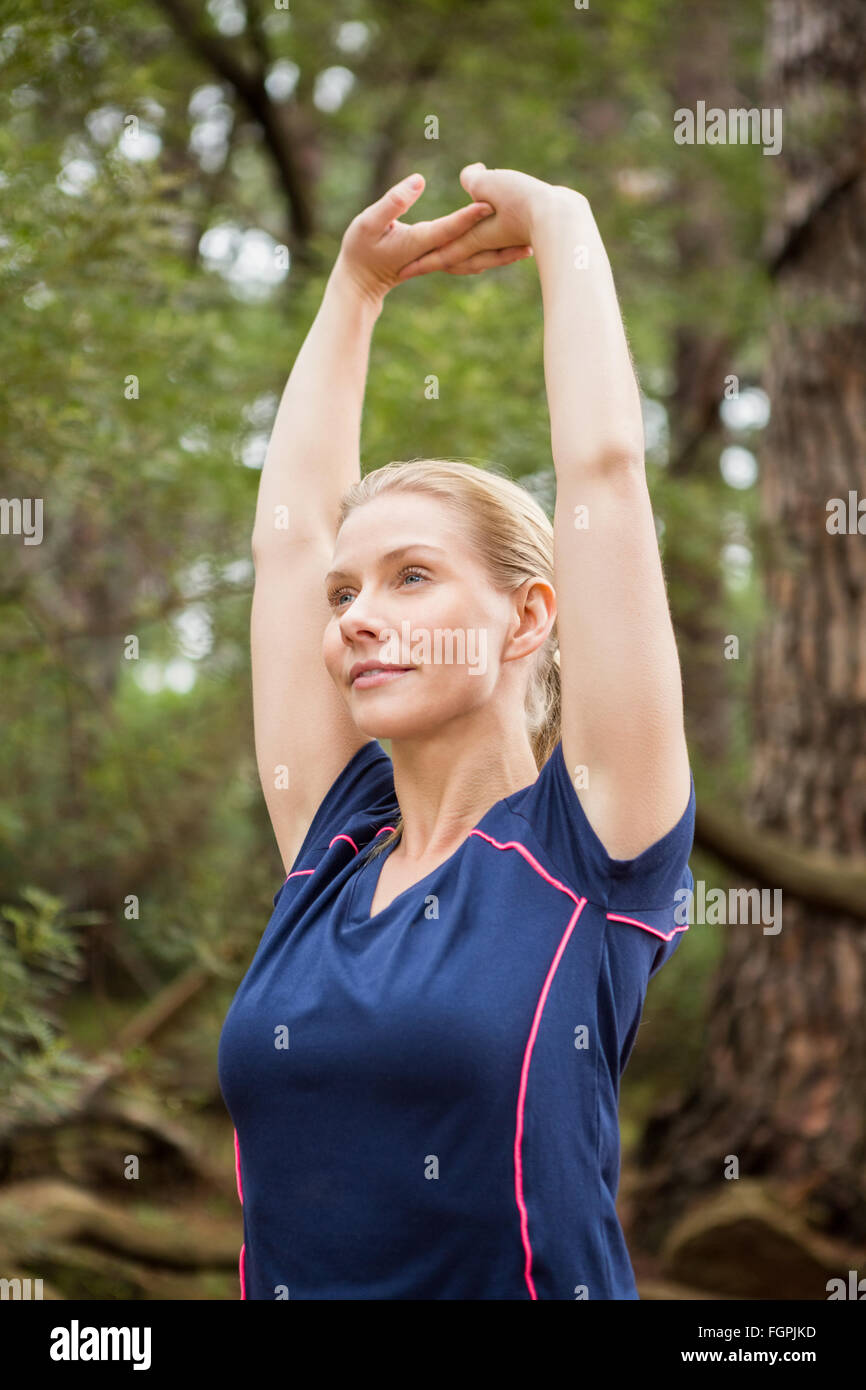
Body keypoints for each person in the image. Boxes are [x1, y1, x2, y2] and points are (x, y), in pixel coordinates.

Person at [217, 163, 695, 1300]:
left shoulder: (592, 849)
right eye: (346, 598)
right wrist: (353, 288)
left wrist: (566, 230)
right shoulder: (328, 852)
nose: (357, 617)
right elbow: (288, 542)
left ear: (529, 615)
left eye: (411, 577)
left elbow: (604, 475)